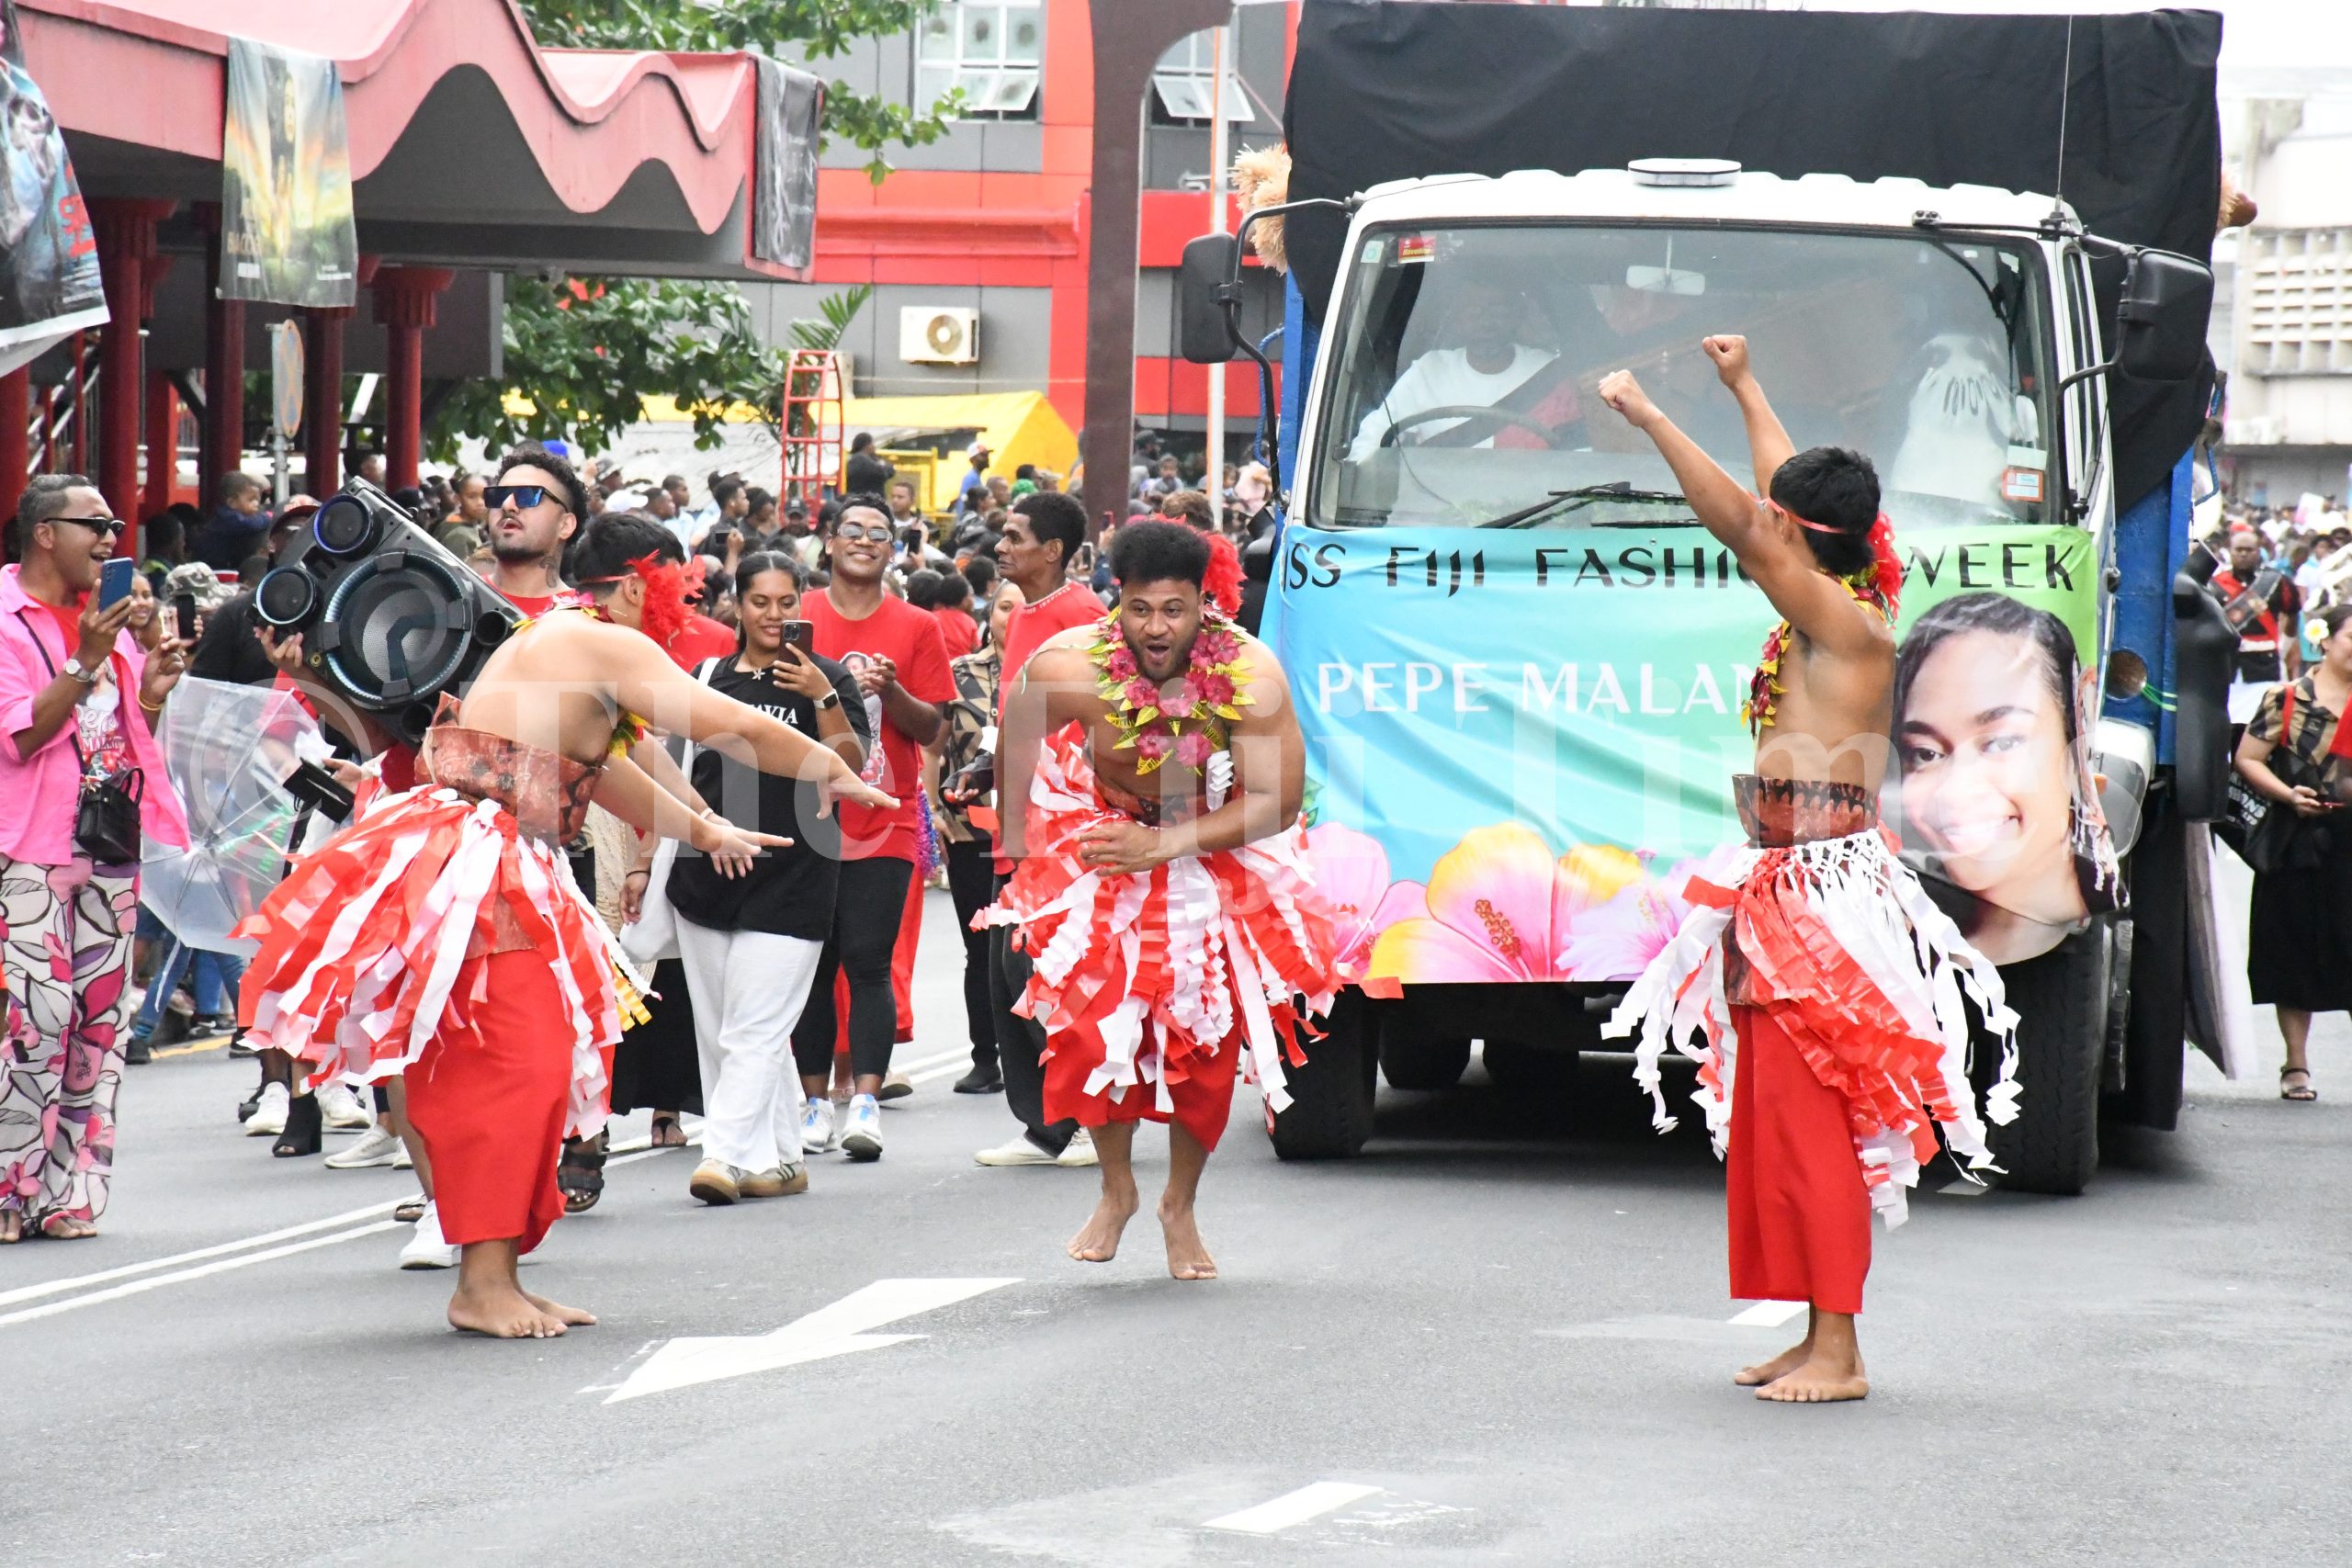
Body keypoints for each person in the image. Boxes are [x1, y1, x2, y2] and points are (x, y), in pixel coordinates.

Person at [235, 511, 895, 1336]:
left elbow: (604, 771)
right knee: (512, 1065)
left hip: (502, 855)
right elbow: (727, 721)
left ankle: (496, 1269)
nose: (683, 625)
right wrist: (835, 766)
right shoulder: (596, 641)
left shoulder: (564, 645)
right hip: (479, 856)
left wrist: (704, 828)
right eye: (674, 599)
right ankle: (482, 1282)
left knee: (540, 1065)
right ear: (631, 586)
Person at [1596, 335, 2018, 1404]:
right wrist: (1745, 385)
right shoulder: (1849, 581)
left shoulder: (1847, 626)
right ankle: (1810, 1328)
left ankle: (1841, 1351)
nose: (1768, 524)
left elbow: (1743, 520)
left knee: (1813, 1117)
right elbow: (1779, 503)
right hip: (1784, 880)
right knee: (1774, 1116)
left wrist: (1650, 416)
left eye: (1781, 523)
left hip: (1817, 895)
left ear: (1797, 538)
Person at [979, 522, 1340, 1279]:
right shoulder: (1069, 664)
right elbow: (1017, 734)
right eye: (1141, 609)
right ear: (1119, 603)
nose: (1156, 628)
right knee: (1085, 1027)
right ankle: (1117, 1190)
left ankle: (1180, 1203)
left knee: (1202, 1046)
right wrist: (1020, 846)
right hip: (1105, 839)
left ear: (1204, 604)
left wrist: (1169, 845)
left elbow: (1276, 801)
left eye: (1174, 610)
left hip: (1216, 847)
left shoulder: (1250, 672)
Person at [636, 551, 870, 1203]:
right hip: (705, 872)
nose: (774, 614)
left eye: (787, 602)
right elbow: (667, 766)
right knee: (722, 1030)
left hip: (798, 876)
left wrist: (821, 696)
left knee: (755, 1028)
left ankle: (724, 1155)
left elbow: (851, 764)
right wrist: (642, 859)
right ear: (737, 606)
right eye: (760, 602)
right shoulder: (706, 677)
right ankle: (784, 1156)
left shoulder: (827, 678)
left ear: (803, 604)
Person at [0, 474, 192, 1242]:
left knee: (97, 1028)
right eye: (96, 525)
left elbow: (113, 735)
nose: (112, 540)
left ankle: (66, 1192)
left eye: (115, 526)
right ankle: (10, 1188)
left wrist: (149, 690)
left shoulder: (99, 622)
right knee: (34, 1021)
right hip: (30, 848)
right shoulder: (10, 620)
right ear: (46, 533)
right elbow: (21, 736)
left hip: (109, 845)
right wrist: (85, 659)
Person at [794, 493, 954, 1163]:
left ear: (895, 550)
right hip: (803, 809)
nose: (865, 541)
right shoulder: (796, 614)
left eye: (879, 534)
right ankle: (810, 1102)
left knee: (867, 958)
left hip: (884, 812)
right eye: (853, 531)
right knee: (810, 962)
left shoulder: (917, 625)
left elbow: (936, 726)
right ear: (829, 543)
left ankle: (863, 1098)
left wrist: (890, 693)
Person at [974, 491, 1112, 1168]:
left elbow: (1104, 712)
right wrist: (985, 768)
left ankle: (1092, 1117)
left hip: (1066, 826)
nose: (1002, 546)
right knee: (1008, 972)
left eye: (1014, 535)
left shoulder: (1080, 612)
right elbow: (1015, 722)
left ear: (1053, 551)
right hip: (1019, 820)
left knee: (1046, 968)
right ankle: (1046, 1124)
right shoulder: (1025, 614)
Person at [1892, 593, 2121, 964]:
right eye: (1926, 754)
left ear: (2075, 734)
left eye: (2000, 742)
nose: (1956, 790)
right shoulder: (1902, 950)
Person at [2233, 603, 2352, 1103]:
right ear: (2325, 641)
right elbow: (2247, 758)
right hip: (2296, 839)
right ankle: (2296, 1063)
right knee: (2292, 949)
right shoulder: (2285, 700)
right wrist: (2288, 795)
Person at [938, 579, 1021, 1093]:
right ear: (989, 615)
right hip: (973, 830)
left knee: (1027, 948)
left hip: (1036, 832)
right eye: (1005, 607)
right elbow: (936, 747)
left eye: (1023, 607)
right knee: (981, 948)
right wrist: (936, 812)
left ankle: (1035, 1056)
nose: (1014, 616)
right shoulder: (960, 675)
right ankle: (985, 1057)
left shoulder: (1054, 670)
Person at [1347, 277, 1566, 459]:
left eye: (1497, 309)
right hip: (1435, 507)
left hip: (1534, 507)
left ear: (1517, 316)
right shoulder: (1429, 371)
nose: (1486, 321)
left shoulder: (1547, 372)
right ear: (1458, 319)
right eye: (1474, 311)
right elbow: (1374, 436)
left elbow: (1576, 450)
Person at [2211, 526, 2301, 722]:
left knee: (2263, 723)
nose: (2243, 554)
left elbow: (2293, 613)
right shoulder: (2215, 585)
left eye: (2249, 550)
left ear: (2259, 550)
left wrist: (2284, 645)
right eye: (2239, 550)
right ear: (2230, 550)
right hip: (2227, 668)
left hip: (2265, 667)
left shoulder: (2277, 581)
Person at [484, 446, 588, 616]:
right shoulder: (453, 598)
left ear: (565, 525)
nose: (507, 506)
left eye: (527, 496)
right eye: (498, 496)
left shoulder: (585, 621)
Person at [192, 471, 271, 571]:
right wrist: (268, 517)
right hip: (212, 564)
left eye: (257, 500)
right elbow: (250, 525)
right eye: (251, 500)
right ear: (232, 503)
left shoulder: (236, 516)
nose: (256, 504)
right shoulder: (228, 517)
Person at [434, 473, 491, 558]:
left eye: (484, 497)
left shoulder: (463, 524)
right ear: (458, 499)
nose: (480, 503)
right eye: (472, 497)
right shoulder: (459, 536)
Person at [845, 432, 893, 498]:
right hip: (870, 501)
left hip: (853, 499)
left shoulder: (850, 459)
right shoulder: (862, 460)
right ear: (868, 446)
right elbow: (884, 473)